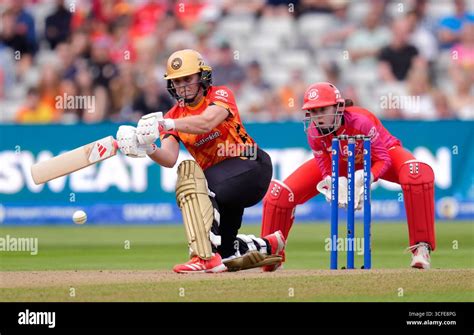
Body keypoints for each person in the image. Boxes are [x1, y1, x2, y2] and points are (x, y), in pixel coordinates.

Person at [115, 49, 285, 273]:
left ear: (202, 77)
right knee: (227, 251)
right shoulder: (173, 115)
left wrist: (166, 125)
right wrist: (147, 146)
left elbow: (206, 122)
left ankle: (204, 256)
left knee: (195, 181)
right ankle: (270, 245)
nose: (182, 86)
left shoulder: (220, 95)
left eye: (188, 79)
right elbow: (168, 158)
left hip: (251, 166)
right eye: (176, 81)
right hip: (223, 189)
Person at [261, 82, 436, 271]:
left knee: (416, 173)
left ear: (338, 107)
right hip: (340, 159)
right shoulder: (313, 132)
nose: (316, 117)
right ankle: (272, 256)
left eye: (321, 109)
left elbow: (383, 159)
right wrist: (332, 182)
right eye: (312, 111)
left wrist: (368, 178)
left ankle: (421, 248)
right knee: (278, 194)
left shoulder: (361, 121)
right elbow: (324, 165)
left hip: (380, 154)